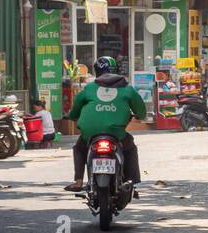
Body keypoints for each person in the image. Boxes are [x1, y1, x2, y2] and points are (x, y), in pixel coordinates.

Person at [63, 55, 147, 192]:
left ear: (96, 71)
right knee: (130, 147)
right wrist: (139, 115)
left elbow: (75, 110)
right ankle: (131, 180)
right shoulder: (127, 88)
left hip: (90, 134)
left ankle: (78, 181)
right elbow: (141, 111)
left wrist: (71, 116)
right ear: (116, 70)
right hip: (116, 134)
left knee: (79, 148)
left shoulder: (89, 88)